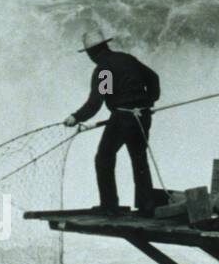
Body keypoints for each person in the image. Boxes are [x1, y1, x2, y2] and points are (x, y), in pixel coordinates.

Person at [63, 28, 162, 216]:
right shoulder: (127, 59)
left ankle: (109, 206)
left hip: (123, 119)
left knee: (104, 158)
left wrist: (75, 117)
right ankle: (146, 206)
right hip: (142, 116)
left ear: (91, 53)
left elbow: (95, 103)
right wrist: (149, 101)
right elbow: (153, 78)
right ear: (105, 45)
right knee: (139, 158)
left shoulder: (105, 70)